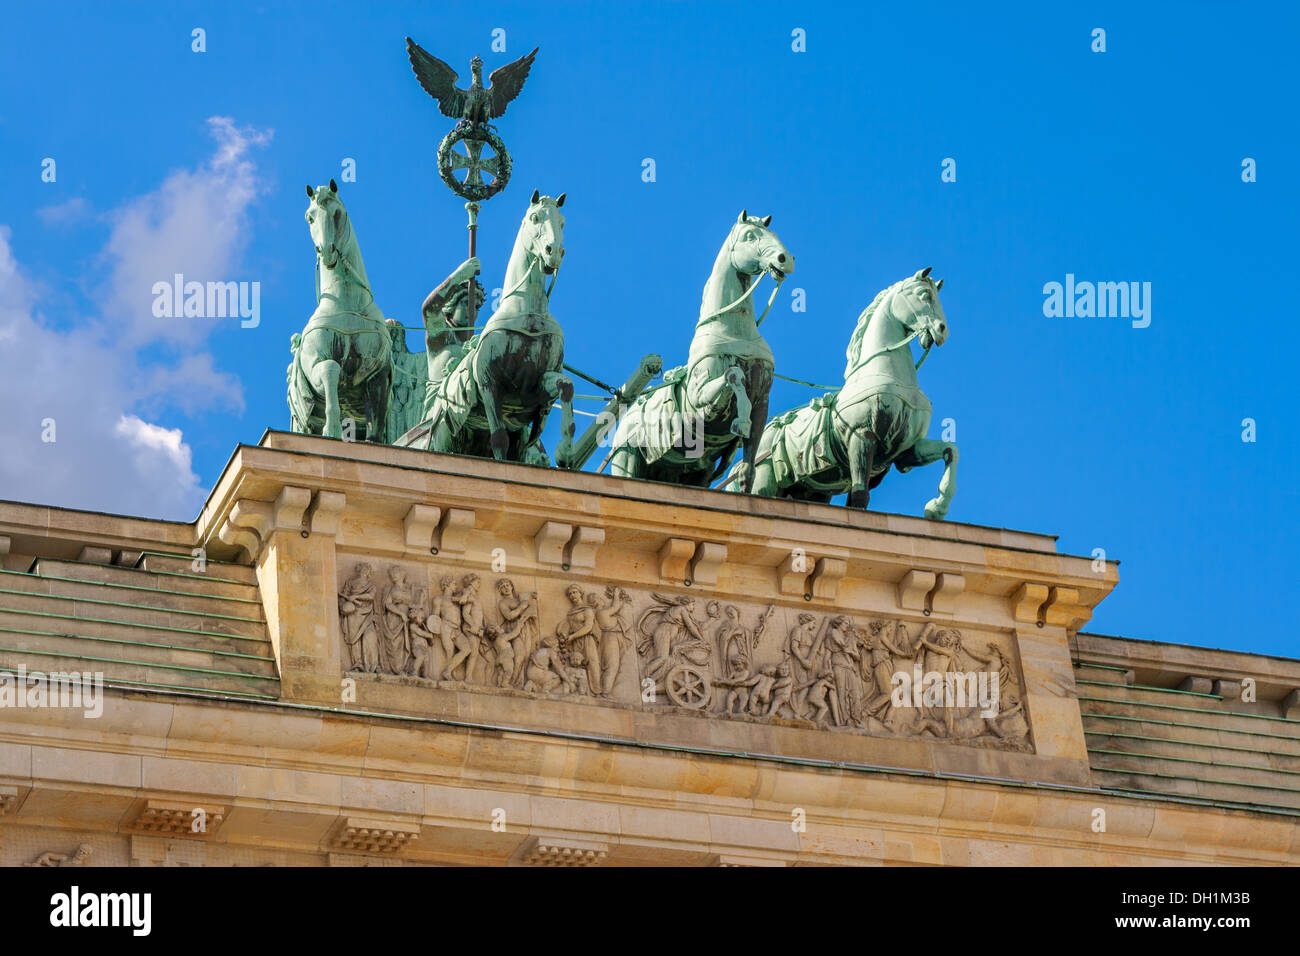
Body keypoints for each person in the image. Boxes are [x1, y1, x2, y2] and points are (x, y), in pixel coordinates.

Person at [338, 564, 380, 673]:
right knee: (354, 639)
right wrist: (345, 607)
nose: (364, 570)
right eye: (363, 568)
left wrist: (356, 596)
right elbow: (343, 596)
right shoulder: (350, 582)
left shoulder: (371, 585)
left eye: (367, 569)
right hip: (352, 613)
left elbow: (371, 596)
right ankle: (357, 663)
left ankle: (373, 665)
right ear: (359, 570)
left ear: (369, 572)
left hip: (367, 613)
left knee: (370, 636)